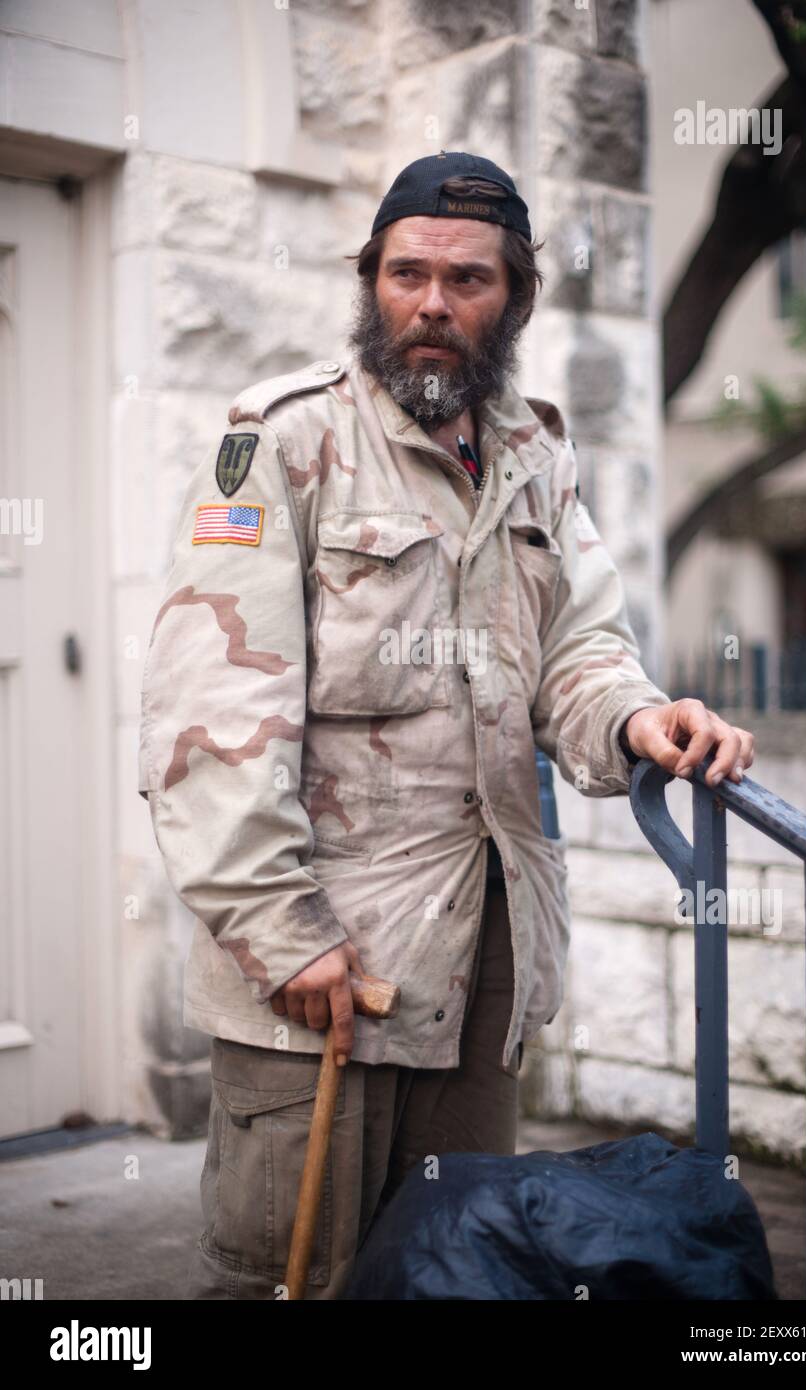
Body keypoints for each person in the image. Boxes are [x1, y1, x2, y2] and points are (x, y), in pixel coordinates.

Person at [138, 150, 755, 1299]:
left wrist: (640, 720)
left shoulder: (534, 453)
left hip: (485, 962)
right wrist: (281, 931)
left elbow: (576, 649)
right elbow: (208, 718)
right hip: (324, 971)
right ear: (370, 280)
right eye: (405, 273)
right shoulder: (281, 439)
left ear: (512, 297)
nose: (430, 303)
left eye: (465, 279)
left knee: (451, 1267)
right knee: (295, 1276)